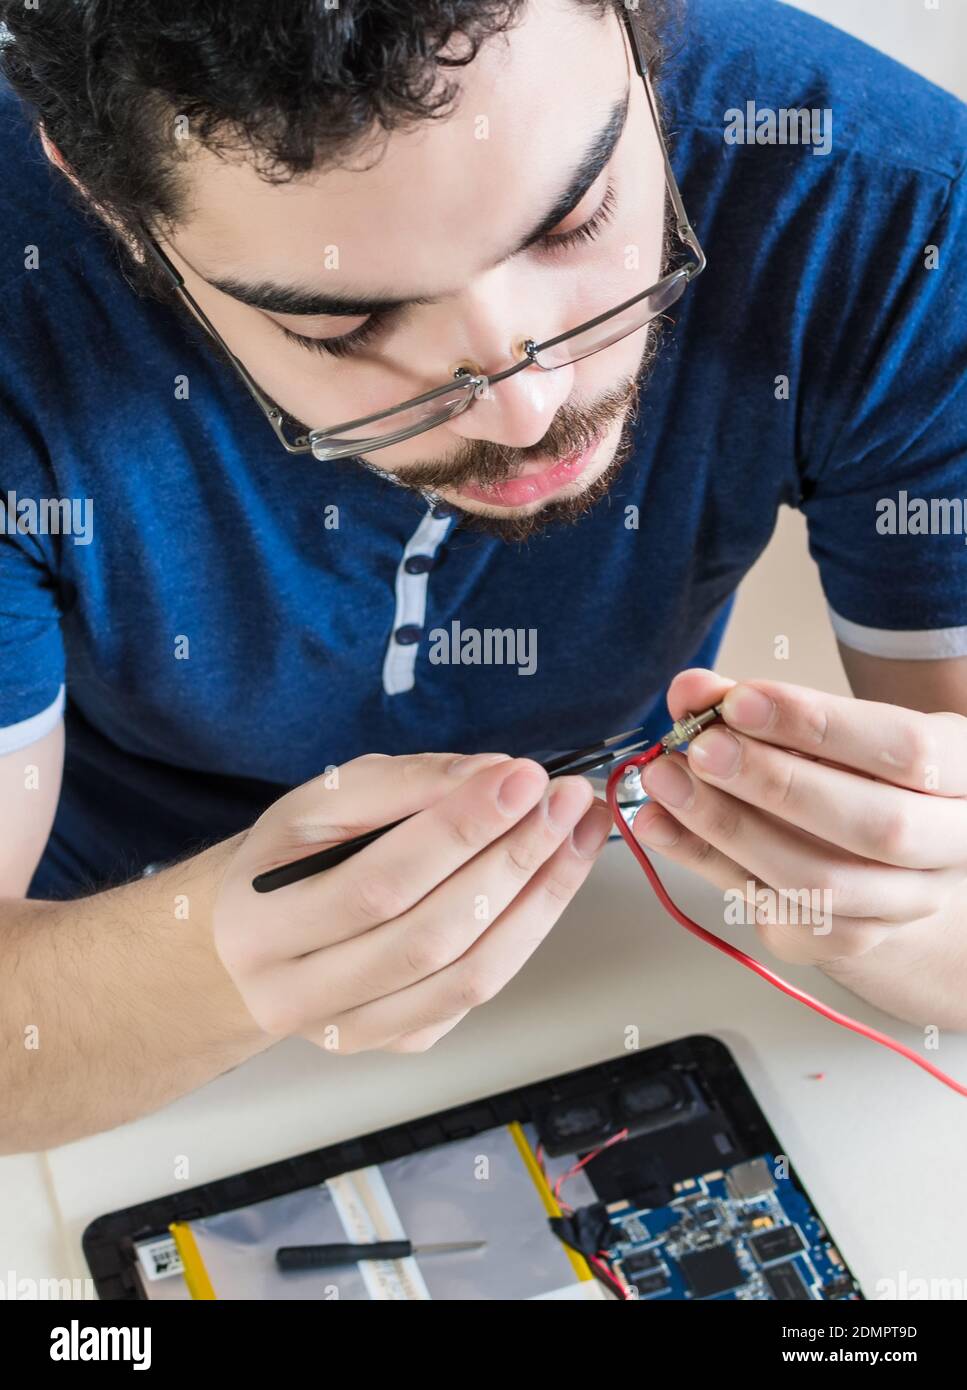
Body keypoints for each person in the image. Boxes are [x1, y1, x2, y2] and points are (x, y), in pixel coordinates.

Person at [1, 0, 965, 1154]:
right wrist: (217, 963)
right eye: (344, 324)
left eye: (574, 220)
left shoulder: (893, 207)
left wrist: (908, 909)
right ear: (107, 201)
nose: (527, 402)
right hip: (101, 952)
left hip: (614, 930)